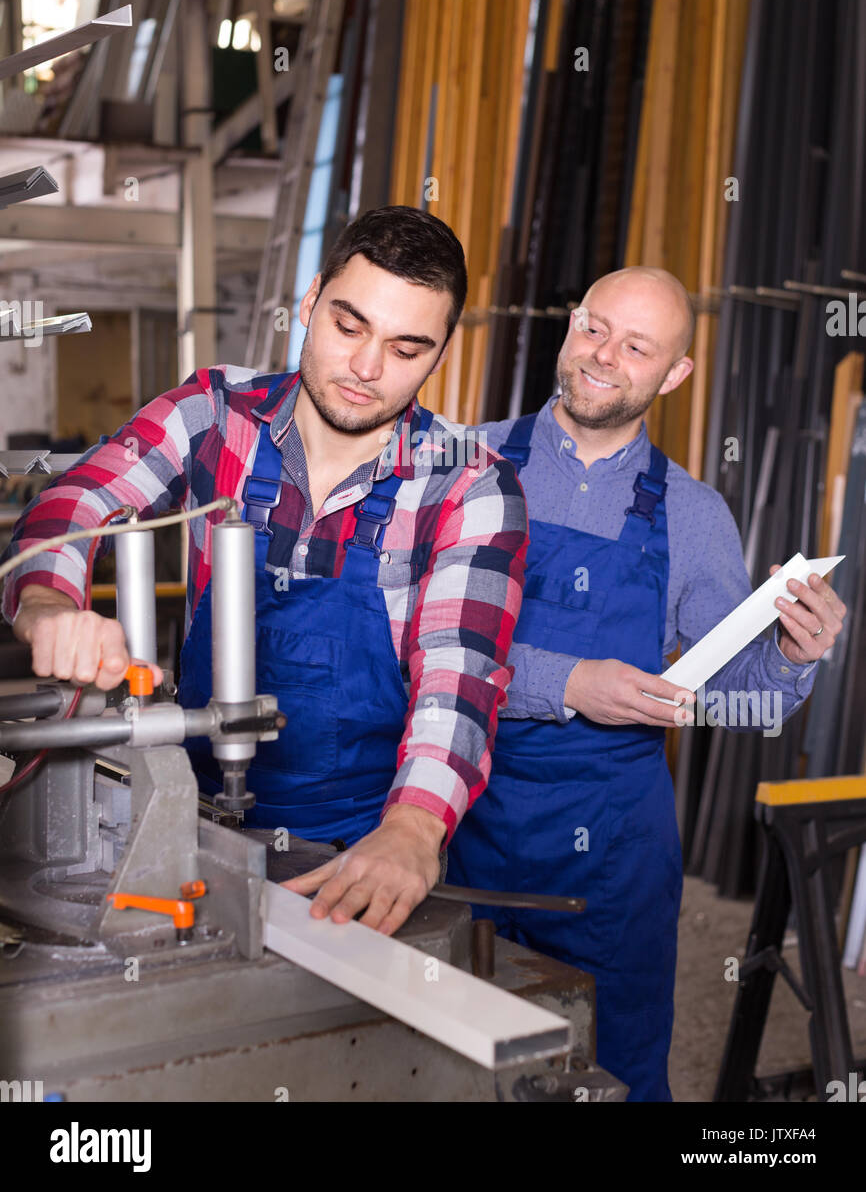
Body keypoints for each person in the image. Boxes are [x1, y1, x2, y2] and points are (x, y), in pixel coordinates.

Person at [2, 206, 527, 938]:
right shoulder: (215, 414)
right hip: (187, 817)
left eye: (407, 349)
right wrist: (48, 603)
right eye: (349, 327)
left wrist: (414, 829)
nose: (368, 369)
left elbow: (459, 676)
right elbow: (81, 495)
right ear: (309, 302)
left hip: (357, 843)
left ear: (440, 354)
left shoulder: (469, 485)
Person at [446, 266, 847, 1101]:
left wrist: (792, 658)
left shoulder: (693, 514)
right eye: (594, 327)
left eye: (638, 346)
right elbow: (410, 638)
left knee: (616, 1068)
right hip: (455, 812)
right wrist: (567, 681)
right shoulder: (464, 461)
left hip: (615, 853)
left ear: (675, 375)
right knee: (446, 1062)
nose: (603, 356)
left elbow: (745, 692)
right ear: (569, 326)